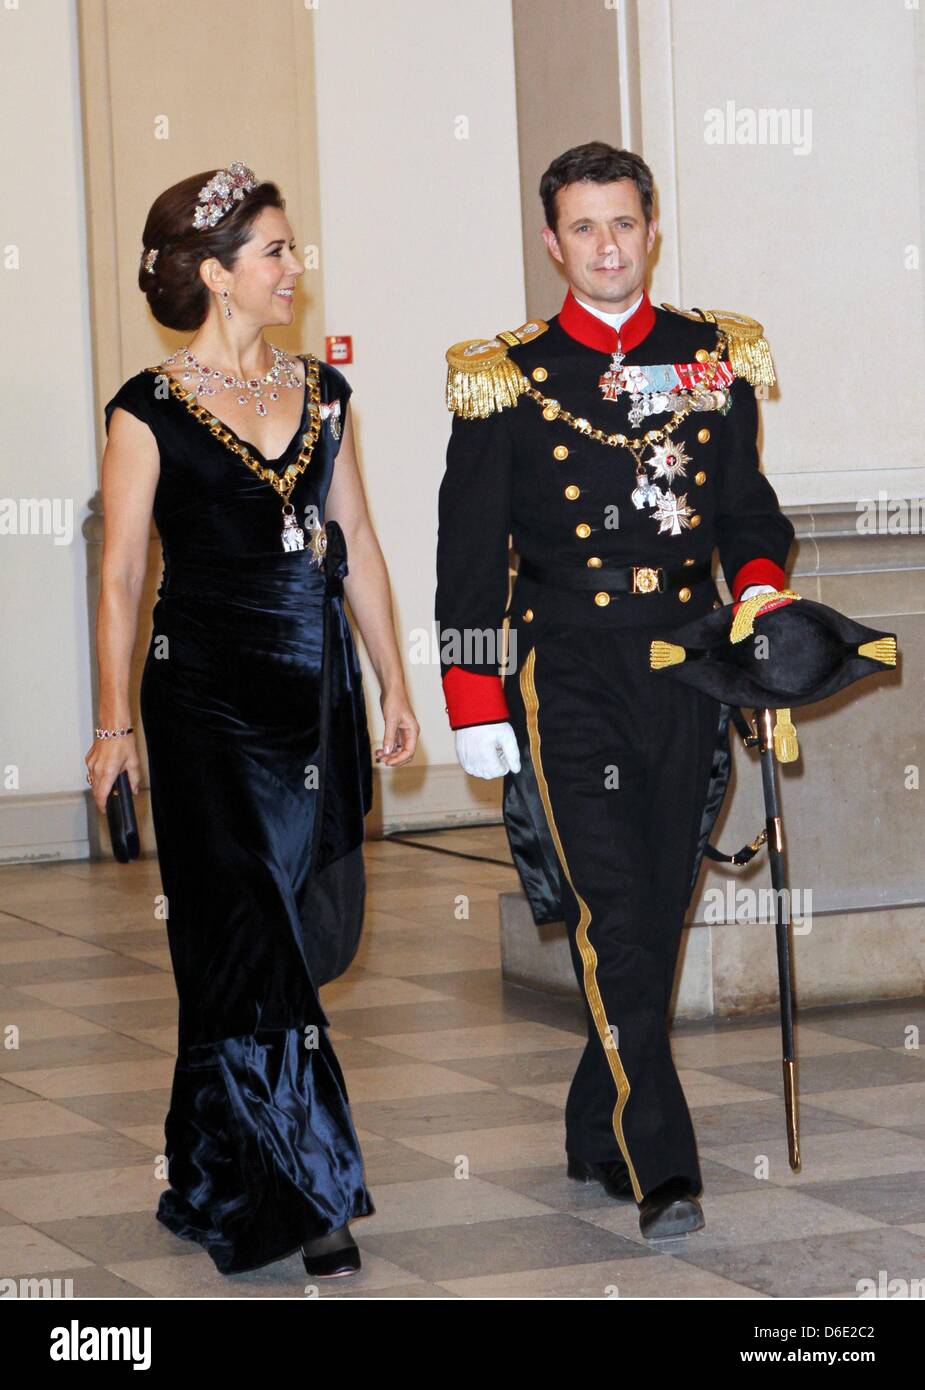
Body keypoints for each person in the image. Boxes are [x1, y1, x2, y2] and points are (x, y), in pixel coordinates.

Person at [435, 142, 795, 1242]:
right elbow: (466, 551)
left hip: (688, 663)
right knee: (612, 912)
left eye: (623, 224)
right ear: (553, 241)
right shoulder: (508, 372)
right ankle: (663, 1166)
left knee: (655, 906)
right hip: (571, 672)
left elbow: (745, 512)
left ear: (650, 227)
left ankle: (597, 1122)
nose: (606, 246)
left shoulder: (709, 355)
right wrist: (473, 696)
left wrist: (764, 598)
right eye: (582, 228)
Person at [86, 162, 419, 1278]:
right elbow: (123, 574)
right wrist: (111, 725)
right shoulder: (149, 410)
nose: (293, 266)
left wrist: (396, 682)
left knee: (259, 946)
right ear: (217, 274)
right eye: (273, 249)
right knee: (257, 943)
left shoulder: (324, 396)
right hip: (202, 709)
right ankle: (309, 1189)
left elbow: (359, 542)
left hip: (310, 704)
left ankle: (210, 1169)